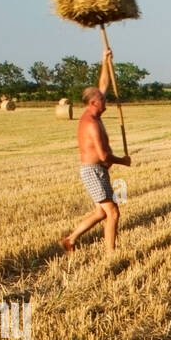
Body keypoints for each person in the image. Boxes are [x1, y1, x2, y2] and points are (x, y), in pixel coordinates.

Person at [60, 49, 131, 254]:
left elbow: (103, 85)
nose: (105, 100)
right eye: (102, 99)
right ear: (93, 103)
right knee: (113, 213)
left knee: (101, 212)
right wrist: (122, 161)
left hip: (97, 171)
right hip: (92, 170)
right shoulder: (90, 123)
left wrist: (105, 61)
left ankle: (70, 240)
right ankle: (111, 253)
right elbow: (103, 156)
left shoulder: (95, 113)